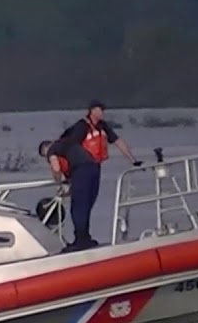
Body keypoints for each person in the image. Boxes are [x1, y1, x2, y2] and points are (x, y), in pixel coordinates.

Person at [48, 100, 142, 252]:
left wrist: (133, 160)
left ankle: (82, 239)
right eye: (98, 110)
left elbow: (117, 141)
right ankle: (82, 238)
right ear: (91, 111)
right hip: (86, 168)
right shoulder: (80, 128)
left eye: (102, 110)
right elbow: (66, 157)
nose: (101, 113)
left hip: (88, 168)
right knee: (82, 205)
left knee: (83, 205)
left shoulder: (100, 127)